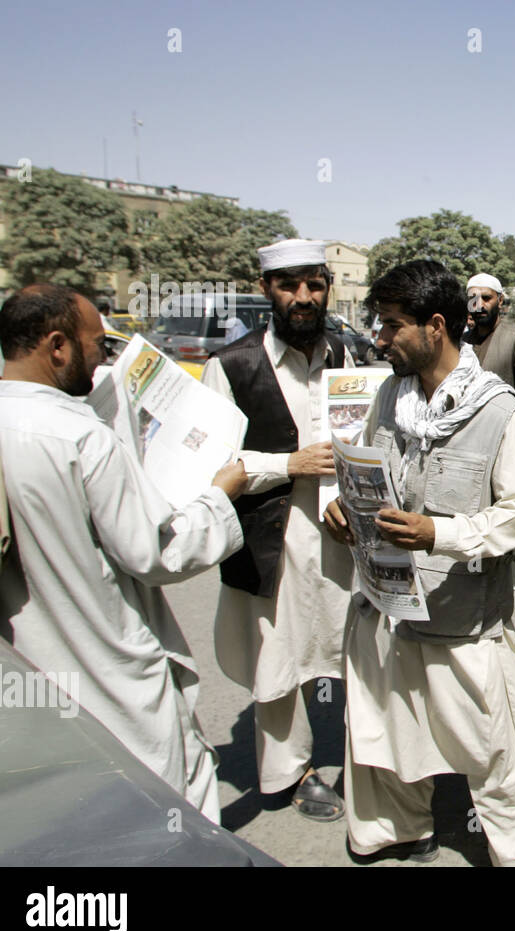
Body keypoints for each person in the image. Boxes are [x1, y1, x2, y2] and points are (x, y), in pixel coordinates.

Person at [324, 260, 515, 866]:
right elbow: (374, 478)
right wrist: (343, 509)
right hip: (387, 608)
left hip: (462, 622)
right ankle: (395, 832)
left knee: (496, 752)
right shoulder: (390, 396)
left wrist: (441, 534)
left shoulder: (499, 412)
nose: (379, 338)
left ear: (436, 326)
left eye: (390, 325)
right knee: (385, 735)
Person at [0, 284, 247, 821]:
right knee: (163, 802)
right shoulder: (81, 438)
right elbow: (154, 551)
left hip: (19, 669)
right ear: (57, 347)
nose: (104, 358)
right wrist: (222, 496)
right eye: (97, 344)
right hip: (107, 668)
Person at [200, 239, 354, 822]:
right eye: (289, 285)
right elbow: (212, 466)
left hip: (342, 537)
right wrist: (286, 465)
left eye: (314, 284)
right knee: (278, 657)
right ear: (266, 288)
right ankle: (290, 770)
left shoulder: (350, 354)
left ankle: (370, 761)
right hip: (273, 539)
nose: (303, 297)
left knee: (357, 647)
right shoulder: (231, 366)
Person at [463, 273, 515, 407]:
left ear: (500, 300)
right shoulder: (462, 342)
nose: (479, 305)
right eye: (473, 299)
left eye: (486, 298)